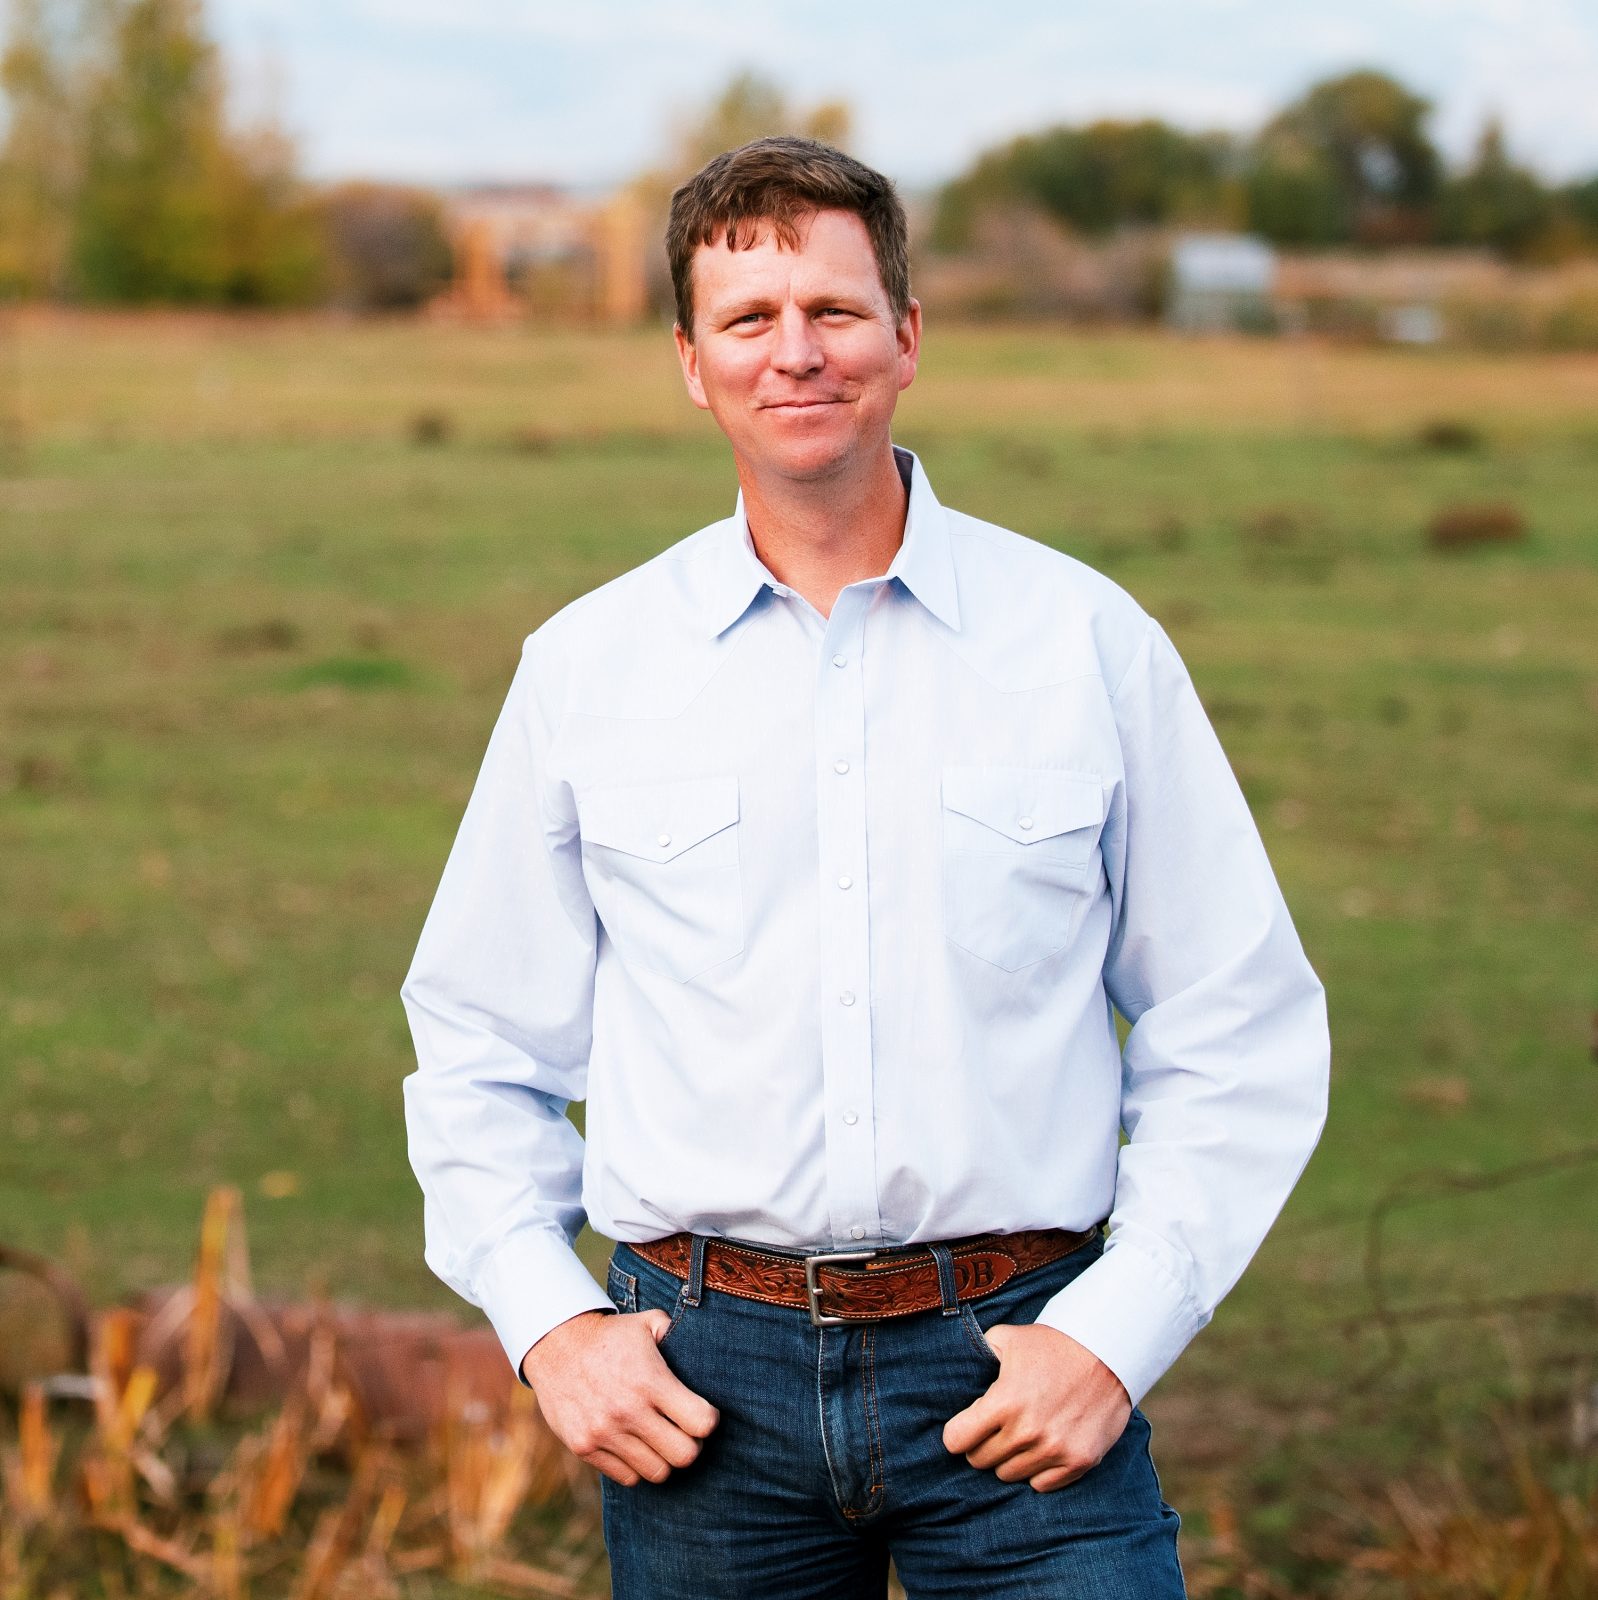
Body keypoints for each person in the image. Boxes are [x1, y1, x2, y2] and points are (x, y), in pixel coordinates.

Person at [401, 135, 1330, 1598]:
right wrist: (547, 1323)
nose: (796, 355)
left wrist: (1116, 1330)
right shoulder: (590, 666)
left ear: (905, 335)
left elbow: (1237, 1021)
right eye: (749, 321)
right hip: (697, 1394)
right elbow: (475, 1040)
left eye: (834, 312)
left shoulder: (1083, 643)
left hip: (1022, 1373)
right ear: (690, 364)